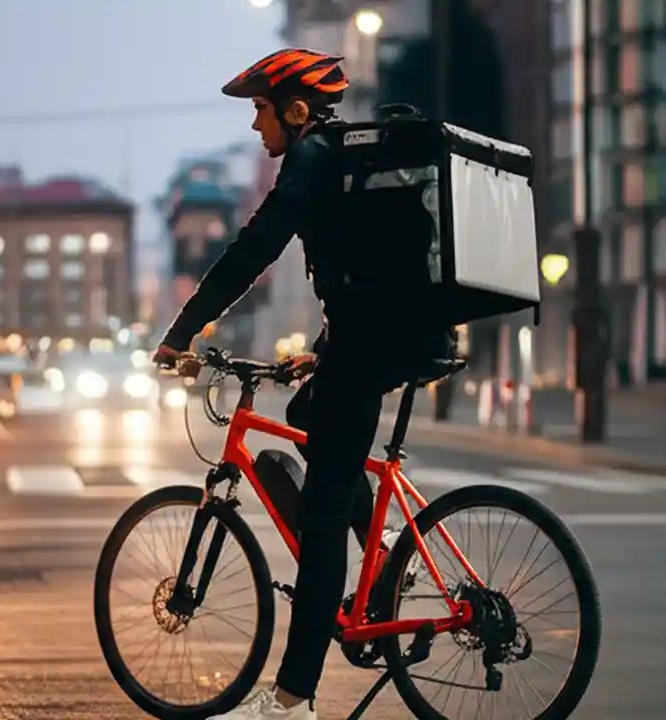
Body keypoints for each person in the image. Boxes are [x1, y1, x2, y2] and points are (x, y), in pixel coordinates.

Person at [152, 48, 456, 720]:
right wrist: (323, 350)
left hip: (378, 344)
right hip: (382, 339)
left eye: (262, 110)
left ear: (294, 110)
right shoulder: (338, 163)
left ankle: (292, 701)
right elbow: (361, 274)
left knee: (319, 528)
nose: (257, 127)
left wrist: (183, 330)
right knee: (311, 410)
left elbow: (254, 248)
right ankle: (381, 561)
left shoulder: (314, 160)